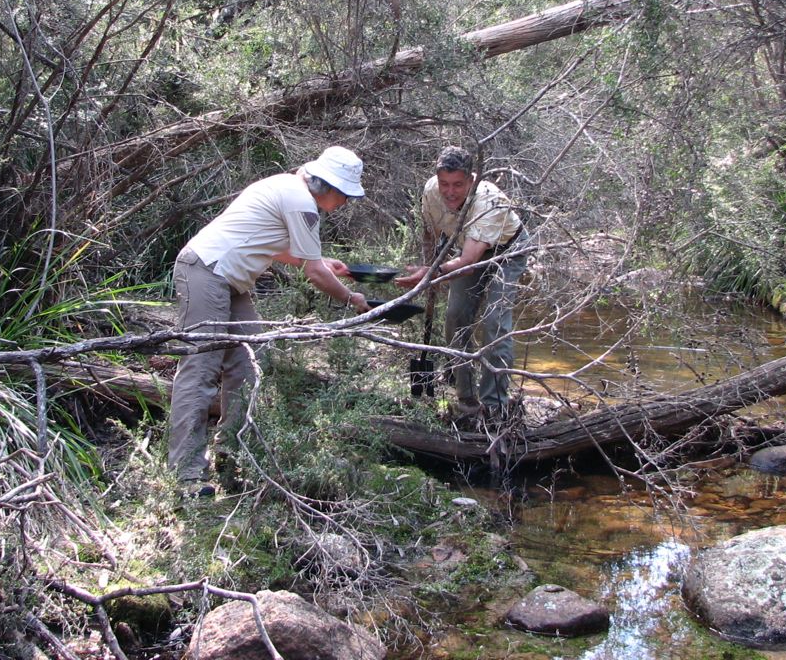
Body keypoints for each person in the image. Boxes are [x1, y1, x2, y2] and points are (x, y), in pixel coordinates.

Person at [167, 146, 372, 493]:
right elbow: (315, 272)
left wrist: (324, 261)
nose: (345, 203)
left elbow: (275, 248)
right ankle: (186, 473)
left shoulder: (286, 186)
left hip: (227, 280)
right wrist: (351, 298)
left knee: (249, 365)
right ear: (328, 187)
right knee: (201, 369)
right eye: (345, 195)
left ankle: (231, 460)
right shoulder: (301, 202)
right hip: (207, 272)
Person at [395, 146, 527, 422]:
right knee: (456, 317)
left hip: (506, 251)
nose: (450, 191)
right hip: (466, 249)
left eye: (458, 184)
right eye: (445, 183)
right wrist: (429, 267)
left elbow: (469, 259)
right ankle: (466, 398)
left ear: (472, 179)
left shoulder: (489, 201)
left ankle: (494, 405)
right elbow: (429, 232)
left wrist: (431, 273)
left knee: (495, 322)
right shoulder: (432, 191)